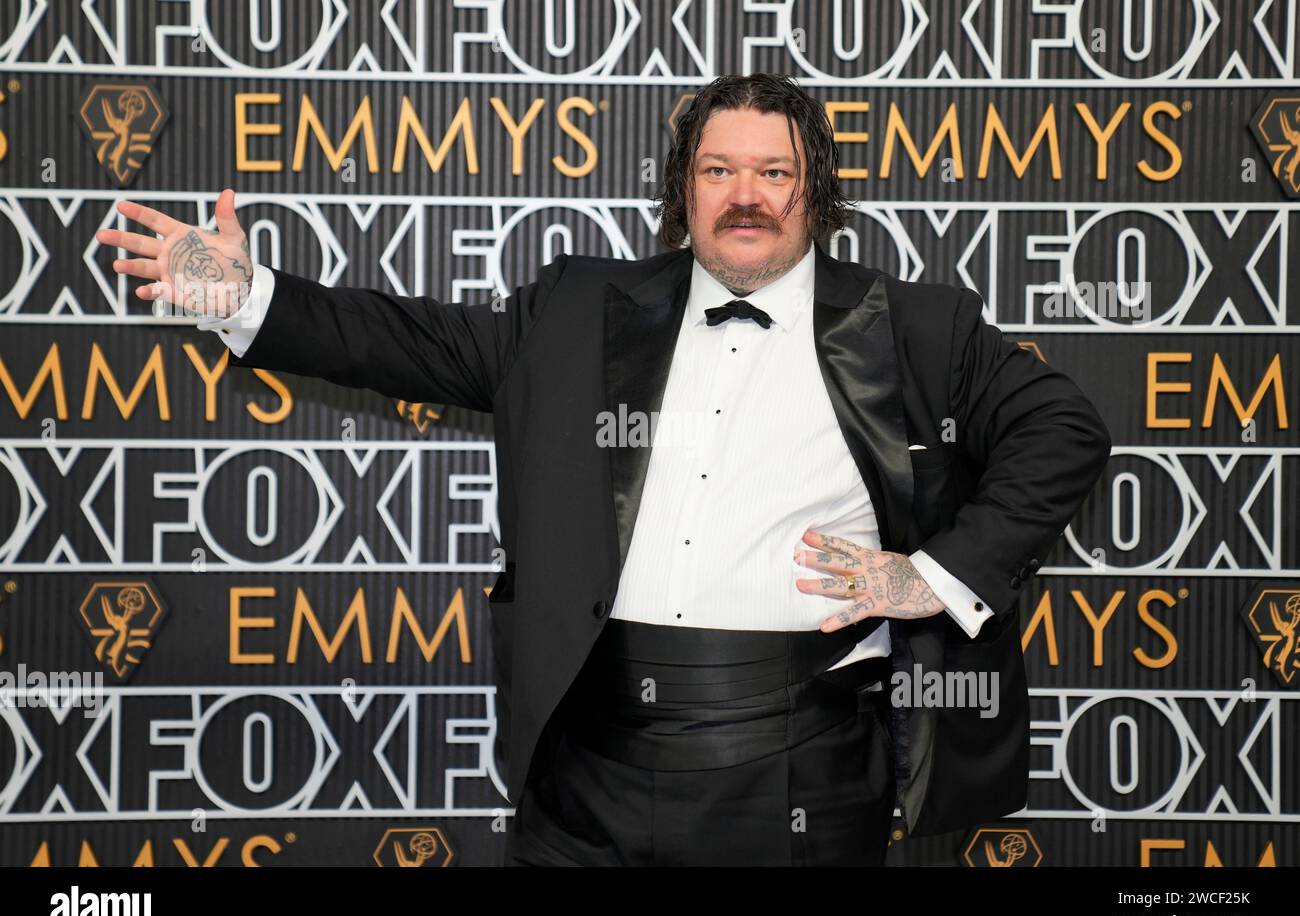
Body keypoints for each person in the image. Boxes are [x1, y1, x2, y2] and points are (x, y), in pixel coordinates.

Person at [95, 73, 1111, 866]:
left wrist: (923, 575)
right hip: (586, 765)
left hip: (798, 767)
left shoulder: (914, 323)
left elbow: (1061, 428)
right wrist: (246, 295)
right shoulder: (579, 310)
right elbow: (406, 340)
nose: (745, 196)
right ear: (682, 189)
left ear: (817, 191)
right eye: (718, 170)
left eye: (773, 171)